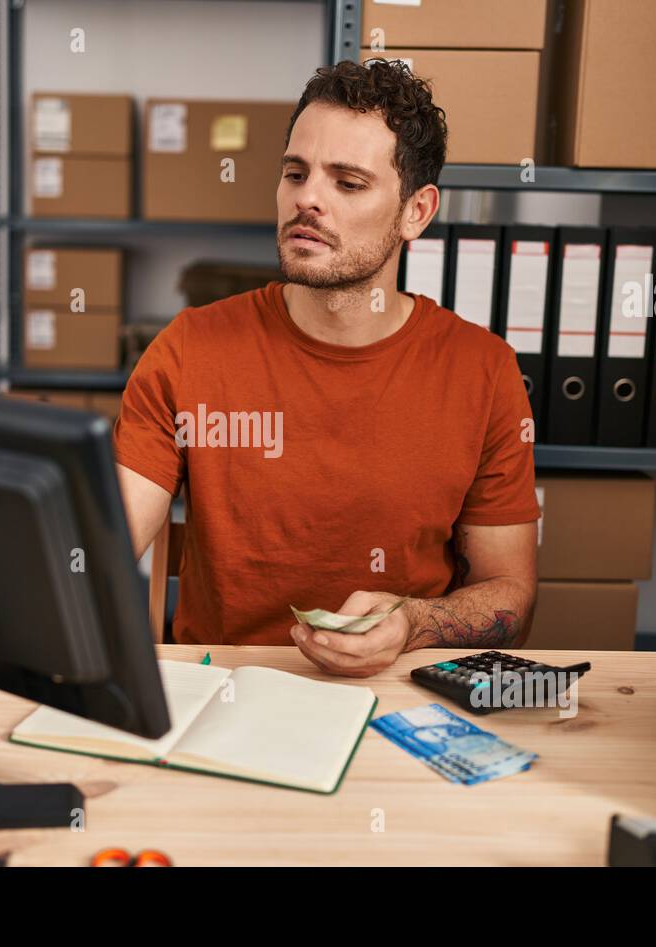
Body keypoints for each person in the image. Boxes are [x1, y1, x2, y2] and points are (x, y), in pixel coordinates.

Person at [113, 59, 540, 677]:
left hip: (400, 692)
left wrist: (415, 622)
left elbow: (512, 597)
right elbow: (100, 544)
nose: (306, 199)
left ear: (416, 212)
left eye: (348, 182)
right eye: (295, 173)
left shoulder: (483, 370)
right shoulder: (190, 349)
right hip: (224, 690)